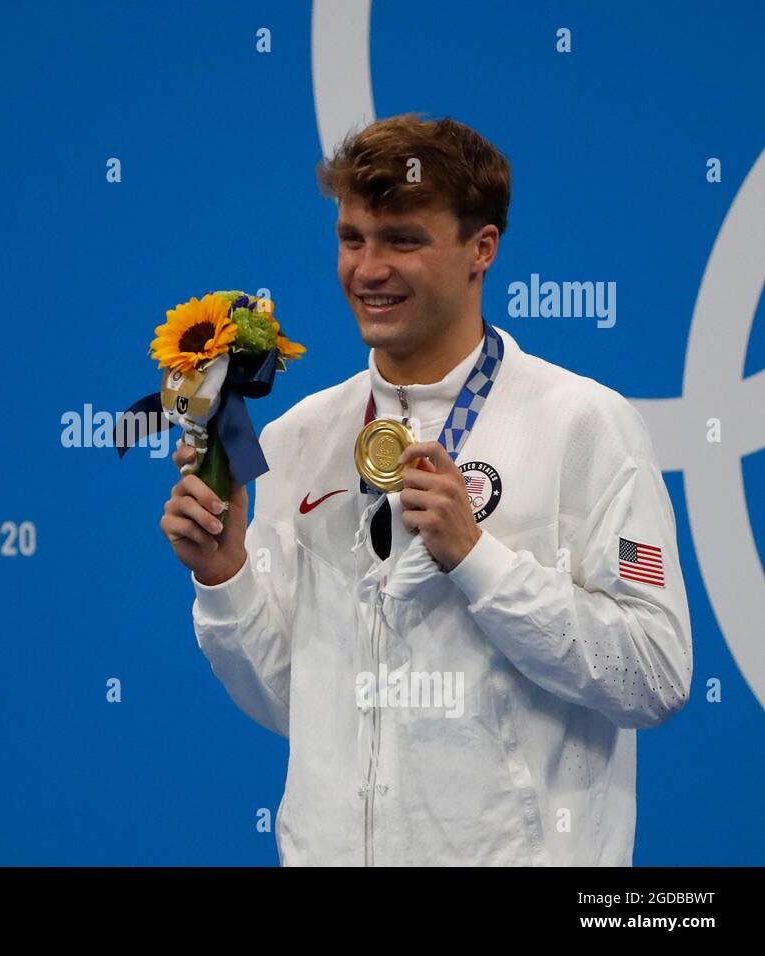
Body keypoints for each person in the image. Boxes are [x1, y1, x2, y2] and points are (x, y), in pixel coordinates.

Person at [159, 113, 693, 866]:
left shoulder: (584, 425)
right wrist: (226, 579)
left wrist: (478, 560)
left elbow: (655, 674)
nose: (368, 269)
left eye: (402, 240)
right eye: (353, 239)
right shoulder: (296, 440)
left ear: (482, 249)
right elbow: (294, 706)